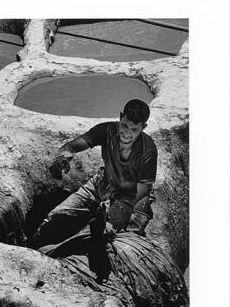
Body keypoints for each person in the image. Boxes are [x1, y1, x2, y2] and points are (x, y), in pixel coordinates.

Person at [30, 99, 157, 250]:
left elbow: (142, 191)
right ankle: (32, 248)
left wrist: (119, 216)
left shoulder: (147, 150)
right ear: (120, 116)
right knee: (55, 218)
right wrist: (63, 157)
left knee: (115, 240)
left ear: (143, 127)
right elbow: (72, 145)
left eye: (134, 129)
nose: (127, 133)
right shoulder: (106, 130)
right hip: (102, 184)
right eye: (124, 125)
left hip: (130, 195)